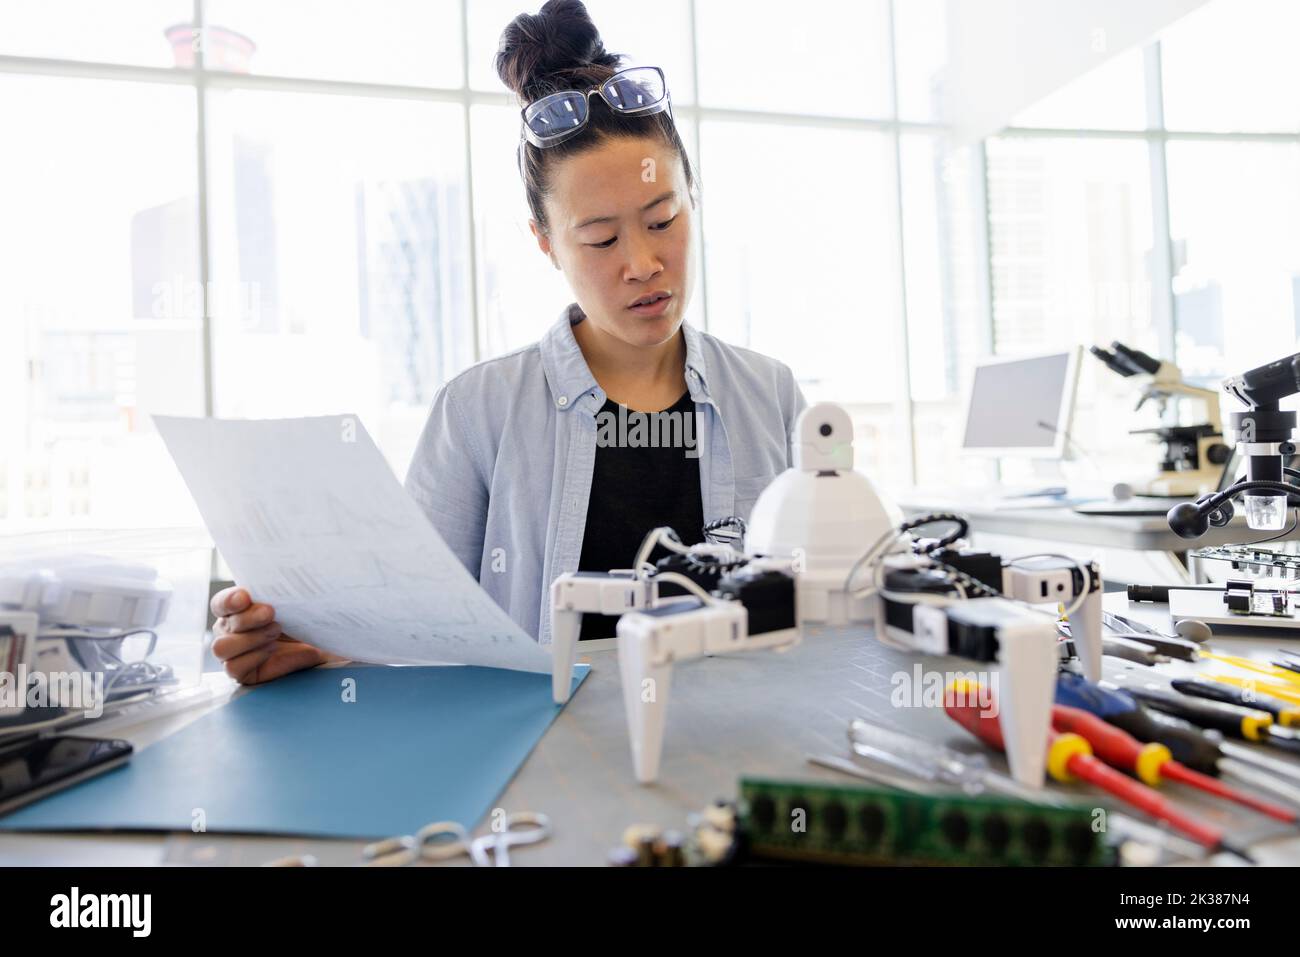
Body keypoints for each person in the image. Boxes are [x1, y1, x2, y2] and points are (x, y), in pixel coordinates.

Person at [209, 0, 807, 685]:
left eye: (662, 219)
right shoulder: (479, 410)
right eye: (601, 238)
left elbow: (817, 604)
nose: (641, 262)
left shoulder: (772, 394)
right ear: (546, 243)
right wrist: (318, 639)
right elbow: (412, 625)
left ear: (692, 202)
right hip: (540, 768)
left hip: (737, 744)